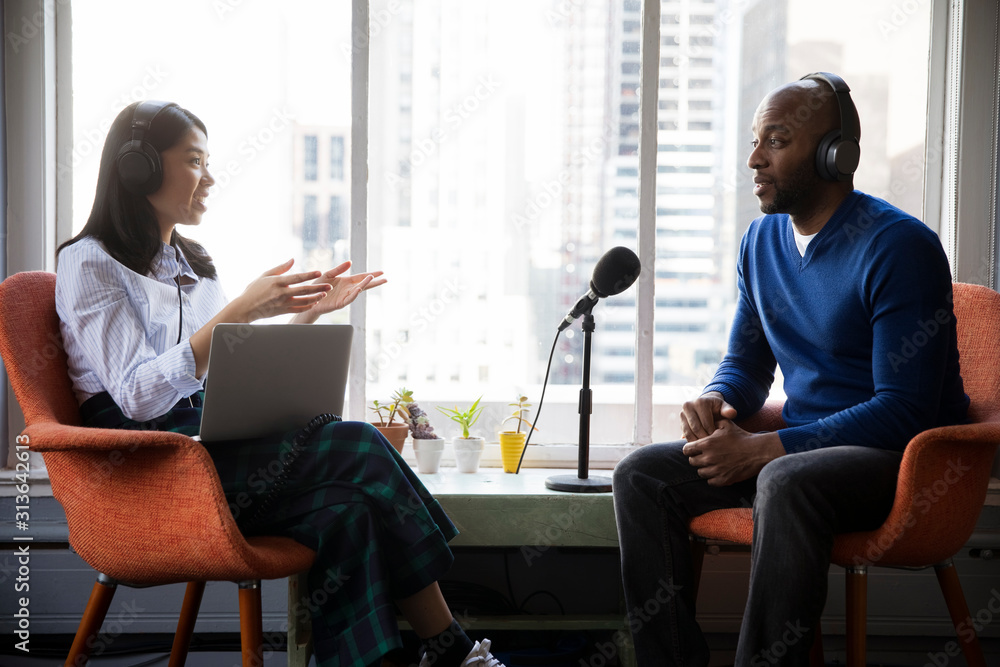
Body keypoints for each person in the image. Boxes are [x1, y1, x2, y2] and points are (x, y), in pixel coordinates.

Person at [55, 101, 505, 667]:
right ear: (138, 167)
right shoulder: (88, 263)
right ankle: (453, 651)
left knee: (346, 512)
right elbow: (138, 396)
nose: (210, 178)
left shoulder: (195, 265)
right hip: (146, 463)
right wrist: (239, 313)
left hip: (206, 440)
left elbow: (224, 374)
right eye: (194, 160)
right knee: (361, 443)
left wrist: (306, 318)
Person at [612, 73, 969, 665]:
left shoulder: (898, 247)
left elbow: (905, 410)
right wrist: (717, 403)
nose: (755, 159)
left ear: (836, 154)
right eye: (756, 141)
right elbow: (745, 366)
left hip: (898, 461)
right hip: (797, 453)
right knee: (640, 476)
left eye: (775, 141)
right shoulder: (762, 242)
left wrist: (763, 450)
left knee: (784, 479)